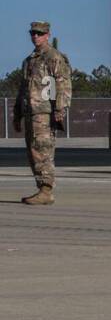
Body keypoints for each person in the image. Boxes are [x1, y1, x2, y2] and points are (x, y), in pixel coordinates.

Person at [13, 21, 71, 205]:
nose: (35, 36)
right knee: (33, 151)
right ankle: (41, 188)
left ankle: (46, 190)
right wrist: (17, 114)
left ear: (47, 35)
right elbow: (23, 89)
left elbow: (63, 83)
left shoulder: (54, 57)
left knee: (43, 150)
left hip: (45, 112)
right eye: (33, 33)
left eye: (39, 33)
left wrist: (60, 108)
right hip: (30, 111)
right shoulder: (29, 60)